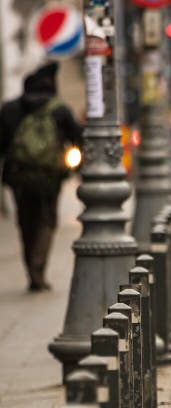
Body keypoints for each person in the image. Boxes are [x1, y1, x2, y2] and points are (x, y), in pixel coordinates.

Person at [0, 62, 82, 291]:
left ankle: (31, 269)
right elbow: (78, 139)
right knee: (46, 220)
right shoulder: (59, 109)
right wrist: (75, 167)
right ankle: (38, 268)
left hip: (20, 175)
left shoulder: (10, 109)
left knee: (26, 221)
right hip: (49, 176)